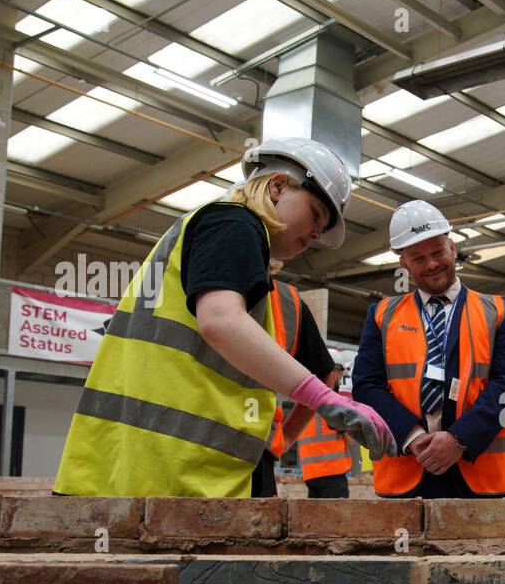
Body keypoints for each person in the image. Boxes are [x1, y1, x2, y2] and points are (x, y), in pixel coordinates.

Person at [54, 137, 394, 498]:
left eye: (323, 228)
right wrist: (324, 398)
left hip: (147, 465)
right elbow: (221, 321)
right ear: (278, 186)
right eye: (315, 214)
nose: (316, 234)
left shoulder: (215, 233)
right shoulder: (234, 222)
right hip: (180, 472)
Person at [352, 200, 505, 499]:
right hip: (407, 470)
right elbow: (366, 386)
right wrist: (414, 436)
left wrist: (460, 439)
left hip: (479, 473)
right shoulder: (382, 315)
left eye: (438, 252)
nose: (431, 264)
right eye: (418, 258)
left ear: (453, 247)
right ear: (403, 263)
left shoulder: (497, 311)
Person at [252, 282, 340, 497]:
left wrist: (287, 436)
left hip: (262, 458)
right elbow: (324, 374)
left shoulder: (285, 302)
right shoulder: (284, 300)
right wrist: (288, 436)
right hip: (260, 455)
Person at [296, 362, 359, 498]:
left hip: (310, 474)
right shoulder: (333, 403)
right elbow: (351, 440)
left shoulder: (306, 402)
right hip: (332, 473)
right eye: (340, 375)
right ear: (334, 373)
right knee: (336, 518)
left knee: (315, 518)